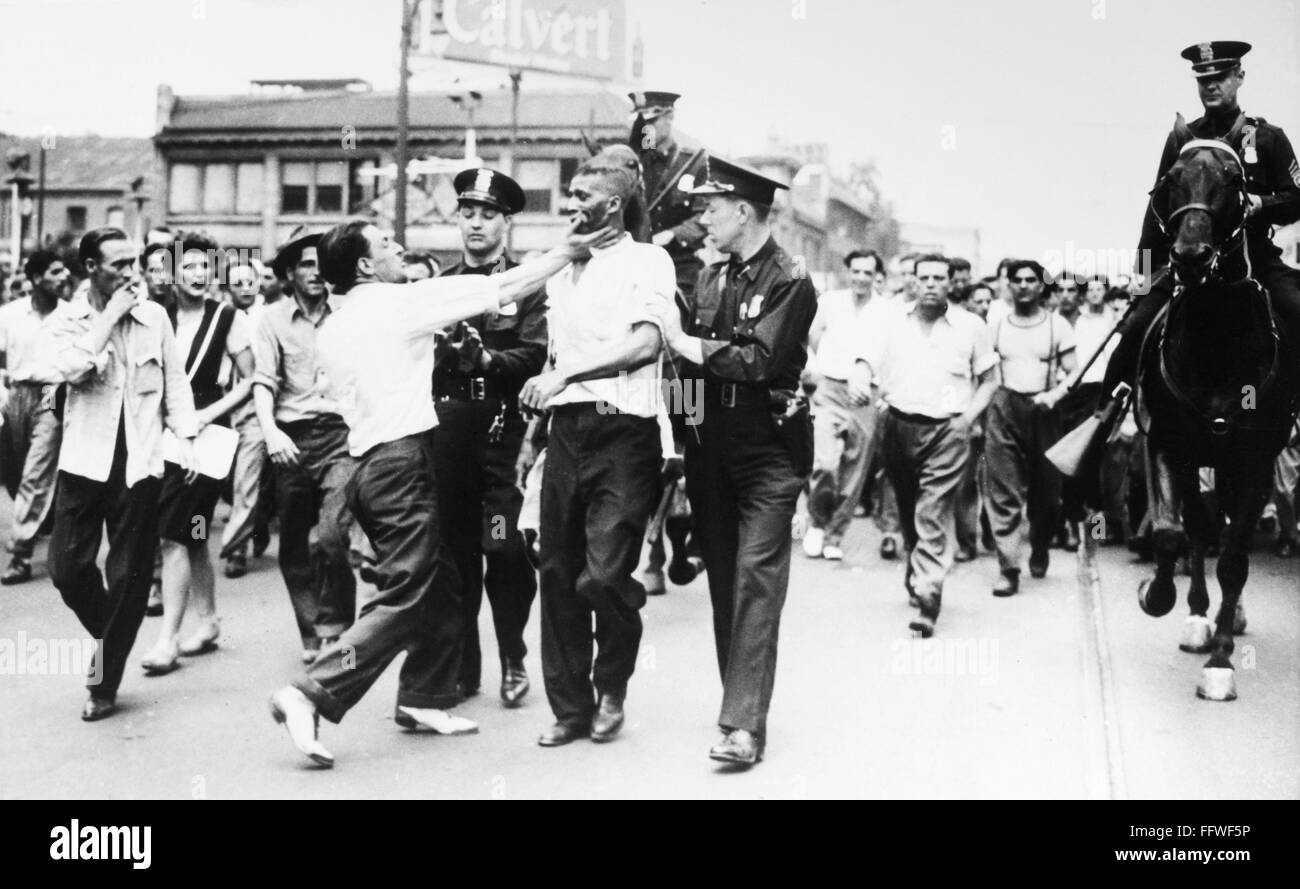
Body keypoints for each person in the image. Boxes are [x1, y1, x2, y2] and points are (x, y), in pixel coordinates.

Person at [266, 217, 610, 766]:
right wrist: (566, 250)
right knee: (407, 592)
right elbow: (504, 287)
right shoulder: (396, 303)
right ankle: (311, 691)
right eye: (385, 244)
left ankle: (423, 696)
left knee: (443, 579)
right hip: (401, 464)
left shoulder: (336, 323)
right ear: (363, 267)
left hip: (368, 465)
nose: (398, 247)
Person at [648, 156, 817, 766]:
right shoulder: (712, 279)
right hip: (710, 455)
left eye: (711, 209)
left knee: (755, 583)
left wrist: (687, 341)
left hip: (769, 457)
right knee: (726, 586)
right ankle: (742, 708)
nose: (703, 220)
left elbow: (760, 361)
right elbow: (688, 376)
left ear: (743, 211)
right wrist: (681, 437)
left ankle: (742, 725)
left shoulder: (792, 279)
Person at [517, 155, 670, 749]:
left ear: (613, 204)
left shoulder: (647, 261)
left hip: (624, 431)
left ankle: (612, 686)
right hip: (565, 431)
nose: (569, 202)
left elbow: (646, 343)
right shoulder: (560, 266)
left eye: (581, 194)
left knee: (603, 577)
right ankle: (571, 707)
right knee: (556, 572)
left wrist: (567, 374)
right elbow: (542, 346)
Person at [43, 227, 199, 720]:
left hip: (140, 463)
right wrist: (108, 318)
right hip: (84, 460)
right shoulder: (68, 319)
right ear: (91, 268)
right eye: (119, 265)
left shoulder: (154, 317)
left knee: (130, 576)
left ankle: (102, 682)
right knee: (66, 571)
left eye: (135, 262)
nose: (133, 273)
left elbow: (174, 378)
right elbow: (70, 368)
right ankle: (115, 633)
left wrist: (187, 438)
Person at [1100, 41, 1300, 407]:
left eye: (1221, 77)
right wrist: (1143, 274)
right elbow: (1156, 210)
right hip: (1186, 263)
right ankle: (1106, 417)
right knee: (1133, 330)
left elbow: (1296, 199)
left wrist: (1260, 204)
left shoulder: (1266, 136)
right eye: (1203, 79)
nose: (1211, 86)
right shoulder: (1183, 140)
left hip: (1254, 259)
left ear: (1239, 77)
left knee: (1297, 311)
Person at [432, 167, 545, 707]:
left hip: (503, 440)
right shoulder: (442, 287)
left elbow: (535, 354)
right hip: (450, 439)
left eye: (488, 215)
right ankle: (464, 667)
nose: (476, 224)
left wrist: (486, 358)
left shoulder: (525, 287)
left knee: (500, 546)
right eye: (468, 213)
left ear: (507, 223)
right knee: (454, 555)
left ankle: (513, 655)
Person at [857, 254, 998, 637]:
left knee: (931, 511)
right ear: (913, 282)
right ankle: (916, 566)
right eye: (925, 277)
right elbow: (866, 357)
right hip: (898, 426)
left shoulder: (971, 326)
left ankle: (929, 593)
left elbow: (990, 379)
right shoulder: (891, 321)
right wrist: (860, 375)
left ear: (951, 282)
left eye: (940, 277)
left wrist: (966, 420)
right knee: (908, 508)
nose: (932, 284)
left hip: (947, 432)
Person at [137, 234, 254, 674]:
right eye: (189, 268)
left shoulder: (228, 317)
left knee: (172, 535)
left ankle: (167, 639)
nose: (200, 275)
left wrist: (206, 416)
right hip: (161, 434)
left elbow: (249, 379)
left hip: (204, 441)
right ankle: (207, 622)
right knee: (195, 532)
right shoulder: (158, 316)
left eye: (206, 267)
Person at [251, 231, 356, 664]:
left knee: (332, 536)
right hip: (290, 439)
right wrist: (271, 433)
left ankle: (334, 627)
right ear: (289, 273)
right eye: (306, 265)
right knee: (294, 544)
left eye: (321, 264)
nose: (315, 273)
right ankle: (312, 632)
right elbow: (263, 381)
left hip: (341, 436)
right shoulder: (269, 319)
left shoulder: (349, 312)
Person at [984, 260, 1077, 596]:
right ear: (1009, 285)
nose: (1023, 286)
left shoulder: (1058, 326)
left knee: (1048, 496)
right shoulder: (996, 326)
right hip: (1005, 408)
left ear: (1041, 286)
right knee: (1003, 491)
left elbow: (1074, 372)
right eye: (1017, 280)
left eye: (1030, 280)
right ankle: (1008, 567)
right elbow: (984, 370)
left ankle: (1040, 545)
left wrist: (1054, 395)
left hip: (1044, 411)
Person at [803, 248, 889, 561]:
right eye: (856, 271)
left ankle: (835, 534)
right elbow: (813, 335)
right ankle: (816, 521)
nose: (861, 278)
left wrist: (869, 378)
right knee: (824, 463)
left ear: (877, 276)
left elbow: (885, 351)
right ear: (848, 271)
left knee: (854, 468)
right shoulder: (830, 302)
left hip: (866, 395)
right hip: (830, 388)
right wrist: (825, 366)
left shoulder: (886, 310)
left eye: (868, 272)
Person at [0, 250, 70, 583]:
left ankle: (20, 556)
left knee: (35, 470)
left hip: (51, 393)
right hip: (17, 392)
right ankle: (42, 520)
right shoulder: (10, 314)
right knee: (16, 469)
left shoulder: (72, 316)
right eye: (56, 271)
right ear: (36, 279)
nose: (64, 276)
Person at [628, 91, 708, 300]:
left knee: (689, 311)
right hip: (634, 263)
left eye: (652, 121)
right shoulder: (631, 164)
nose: (645, 129)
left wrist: (671, 235)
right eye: (641, 122)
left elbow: (704, 218)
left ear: (669, 117)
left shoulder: (692, 163)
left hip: (677, 264)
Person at [219, 259, 271, 578]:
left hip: (258, 402)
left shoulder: (269, 316)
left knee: (246, 479)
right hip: (222, 403)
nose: (245, 288)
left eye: (249, 281)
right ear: (227, 288)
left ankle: (236, 550)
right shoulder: (219, 316)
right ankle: (258, 522)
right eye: (237, 283)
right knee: (225, 480)